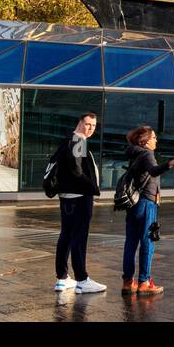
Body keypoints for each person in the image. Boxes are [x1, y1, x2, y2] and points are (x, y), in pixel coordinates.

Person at [120, 126, 174, 297]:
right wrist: (172, 163)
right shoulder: (147, 154)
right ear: (146, 140)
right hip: (147, 202)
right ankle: (144, 282)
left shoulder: (134, 153)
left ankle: (128, 282)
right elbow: (154, 170)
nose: (156, 140)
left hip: (133, 204)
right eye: (154, 137)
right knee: (147, 242)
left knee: (130, 243)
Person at [53, 112, 105, 294]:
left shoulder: (66, 140)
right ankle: (82, 279)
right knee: (79, 238)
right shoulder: (79, 140)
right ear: (79, 123)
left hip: (67, 197)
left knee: (66, 235)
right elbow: (76, 171)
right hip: (79, 198)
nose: (90, 129)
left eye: (93, 126)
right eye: (87, 124)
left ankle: (62, 278)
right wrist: (92, 189)